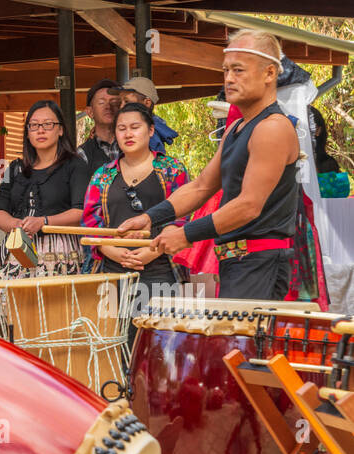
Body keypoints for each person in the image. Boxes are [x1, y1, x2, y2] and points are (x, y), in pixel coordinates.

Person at [118, 30, 300, 301]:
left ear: (269, 73)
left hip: (260, 262)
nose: (229, 78)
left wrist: (186, 234)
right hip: (239, 261)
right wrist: (149, 218)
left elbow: (248, 206)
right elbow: (201, 186)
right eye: (226, 70)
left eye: (238, 70)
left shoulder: (272, 127)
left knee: (238, 332)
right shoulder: (237, 128)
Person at [84, 102, 189, 328]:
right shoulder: (103, 174)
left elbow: (182, 215)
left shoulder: (172, 169)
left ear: (150, 130)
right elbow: (91, 221)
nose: (128, 134)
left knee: (157, 340)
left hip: (160, 269)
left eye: (135, 127)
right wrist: (114, 251)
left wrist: (152, 251)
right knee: (114, 340)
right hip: (112, 273)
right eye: (121, 128)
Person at [0, 100, 91, 284]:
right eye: (34, 125)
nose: (40, 130)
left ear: (61, 130)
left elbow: (81, 211)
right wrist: (17, 225)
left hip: (61, 254)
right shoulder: (14, 168)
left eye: (48, 124)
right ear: (27, 132)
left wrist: (43, 222)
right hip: (17, 252)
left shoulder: (75, 165)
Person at [118, 77, 179, 155]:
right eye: (120, 102)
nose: (121, 106)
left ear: (147, 103)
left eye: (127, 101)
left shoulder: (151, 139)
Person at [79, 80, 122, 174]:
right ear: (90, 112)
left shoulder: (134, 145)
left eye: (114, 102)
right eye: (101, 102)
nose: (108, 107)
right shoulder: (82, 154)